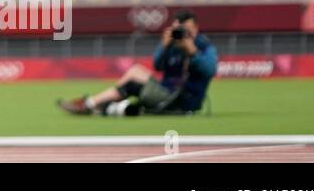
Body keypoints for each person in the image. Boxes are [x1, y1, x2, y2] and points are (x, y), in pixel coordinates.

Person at [58, 11, 217, 115]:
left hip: (182, 99)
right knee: (136, 71)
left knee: (131, 85)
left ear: (196, 28)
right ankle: (94, 104)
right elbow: (157, 65)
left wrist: (192, 51)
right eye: (178, 30)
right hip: (166, 90)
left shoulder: (204, 47)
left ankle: (91, 104)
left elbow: (210, 70)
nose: (182, 34)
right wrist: (164, 45)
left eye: (186, 30)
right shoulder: (173, 46)